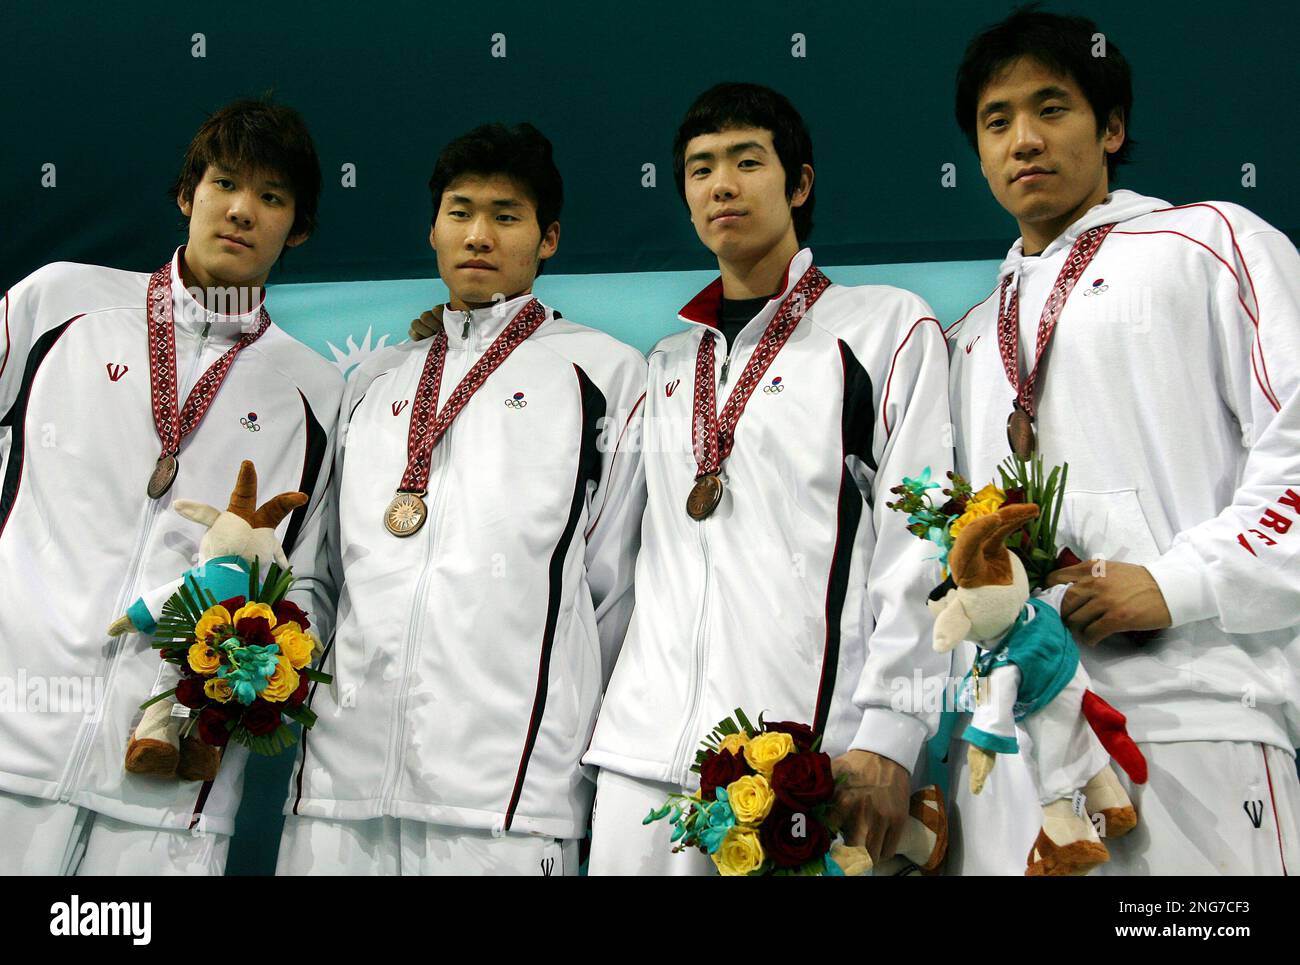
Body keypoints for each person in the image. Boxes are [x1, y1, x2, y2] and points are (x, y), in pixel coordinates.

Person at [945, 6, 1300, 874]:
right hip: (1015, 749)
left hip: (1196, 716)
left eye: (1051, 107)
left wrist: (1178, 582)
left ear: (1111, 127)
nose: (1023, 138)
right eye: (997, 122)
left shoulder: (1212, 241)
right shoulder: (967, 336)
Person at [580, 83, 954, 874]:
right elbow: (616, 572)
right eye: (700, 168)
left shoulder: (884, 330)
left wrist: (891, 735)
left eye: (748, 161)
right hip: (639, 763)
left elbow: (923, 547)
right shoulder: (667, 367)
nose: (722, 184)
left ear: (800, 184)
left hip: (803, 765)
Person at [277, 123, 647, 876]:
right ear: (433, 228)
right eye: (460, 211)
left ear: (549, 238)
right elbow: (325, 574)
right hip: (337, 792)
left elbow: (614, 593)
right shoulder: (373, 382)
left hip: (504, 801)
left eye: (506, 216)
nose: (478, 234)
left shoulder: (606, 374)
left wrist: (562, 750)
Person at [0, 98, 342, 875]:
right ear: (188, 192)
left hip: (171, 777)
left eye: (272, 197)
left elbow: (310, 578)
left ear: (300, 227)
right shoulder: (60, 303)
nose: (242, 210)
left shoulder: (315, 392)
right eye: (225, 183)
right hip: (12, 736)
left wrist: (261, 680)